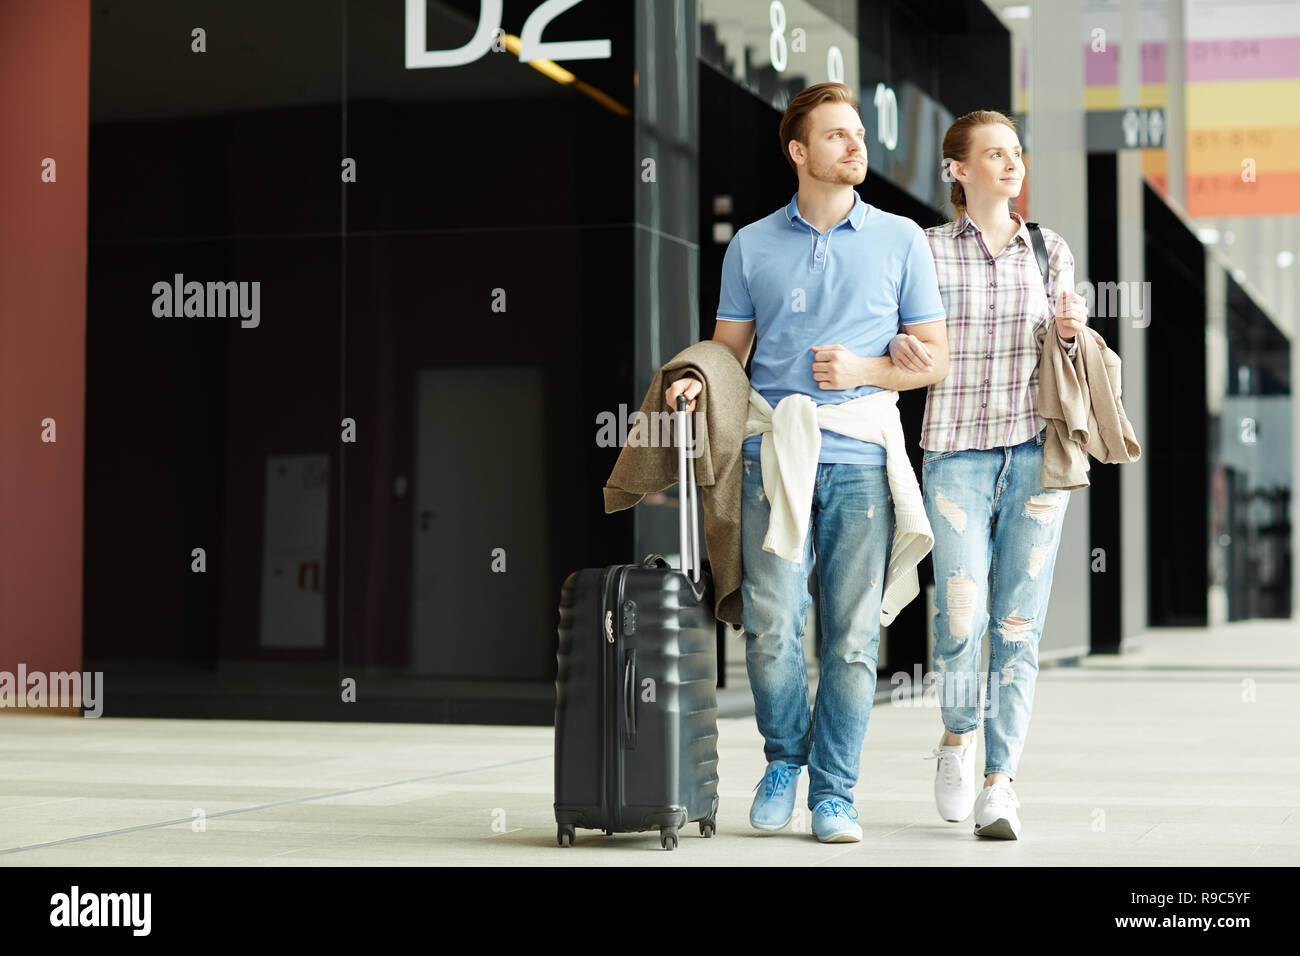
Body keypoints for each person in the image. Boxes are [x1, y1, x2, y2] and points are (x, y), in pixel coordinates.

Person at [666, 82, 947, 843]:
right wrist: (696, 379)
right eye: (837, 136)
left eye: (858, 134)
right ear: (799, 152)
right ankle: (785, 758)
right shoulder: (752, 244)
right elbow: (729, 354)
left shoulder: (902, 241)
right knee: (771, 623)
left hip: (860, 452)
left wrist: (863, 369)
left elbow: (932, 363)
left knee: (853, 635)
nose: (856, 146)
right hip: (771, 452)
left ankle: (835, 793)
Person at [888, 110, 1089, 840]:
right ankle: (955, 736)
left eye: (1017, 152)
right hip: (955, 455)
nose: (1011, 164)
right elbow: (903, 335)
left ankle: (1001, 783)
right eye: (994, 154)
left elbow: (1071, 354)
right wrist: (900, 350)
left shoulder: (1049, 249)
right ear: (959, 170)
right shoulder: (926, 250)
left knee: (1018, 626)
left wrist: (1070, 333)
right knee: (961, 616)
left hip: (1036, 455)